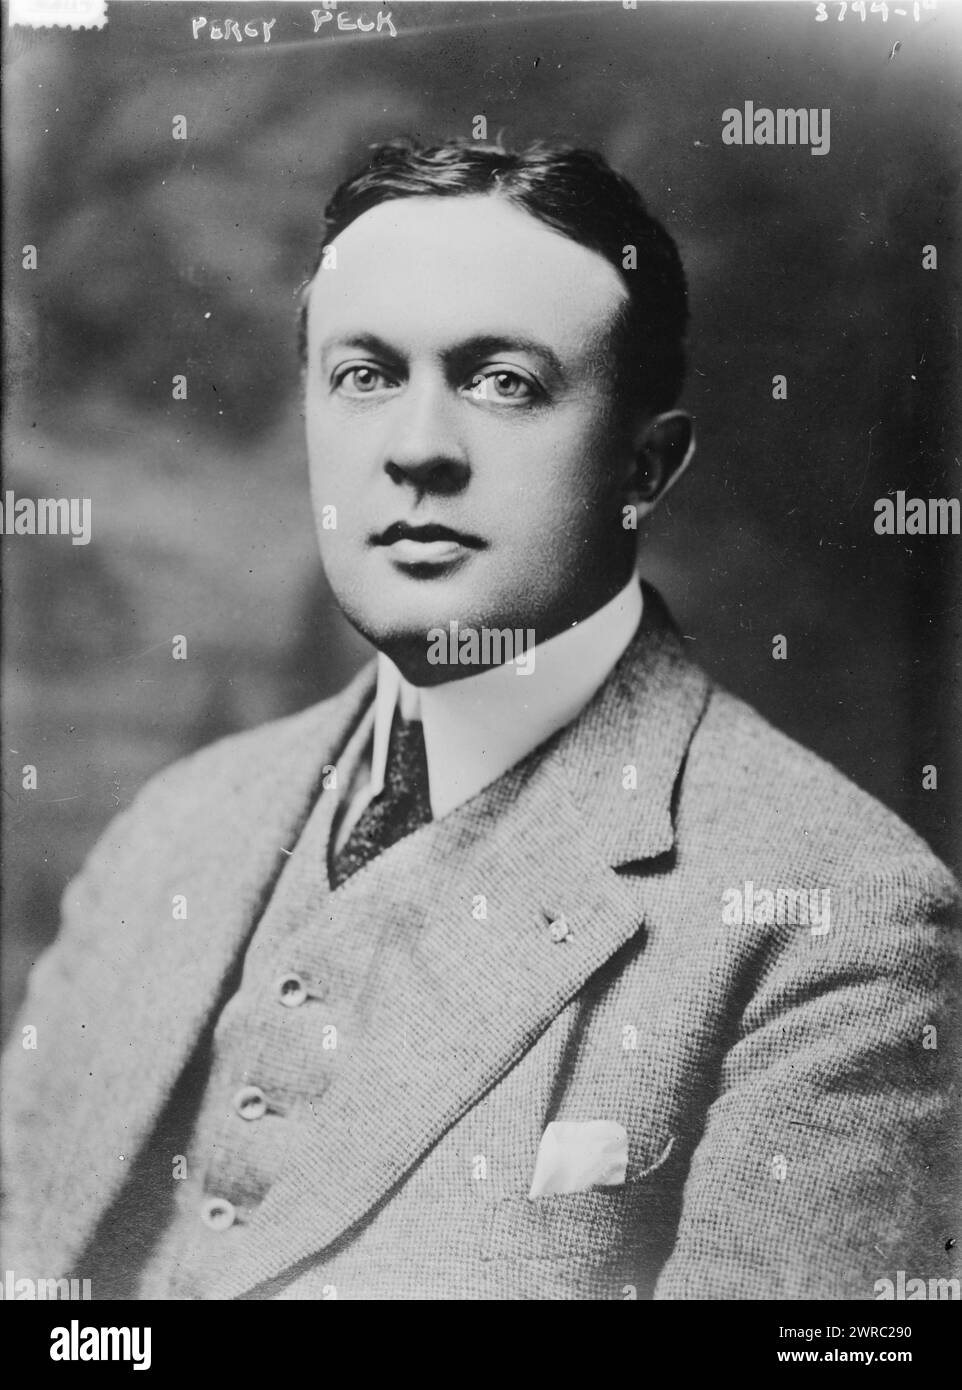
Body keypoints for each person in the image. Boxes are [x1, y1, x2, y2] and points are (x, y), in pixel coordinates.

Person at [2, 140, 958, 1301]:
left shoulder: (836, 921)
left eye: (503, 381)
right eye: (362, 376)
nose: (415, 449)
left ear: (643, 466)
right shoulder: (171, 831)